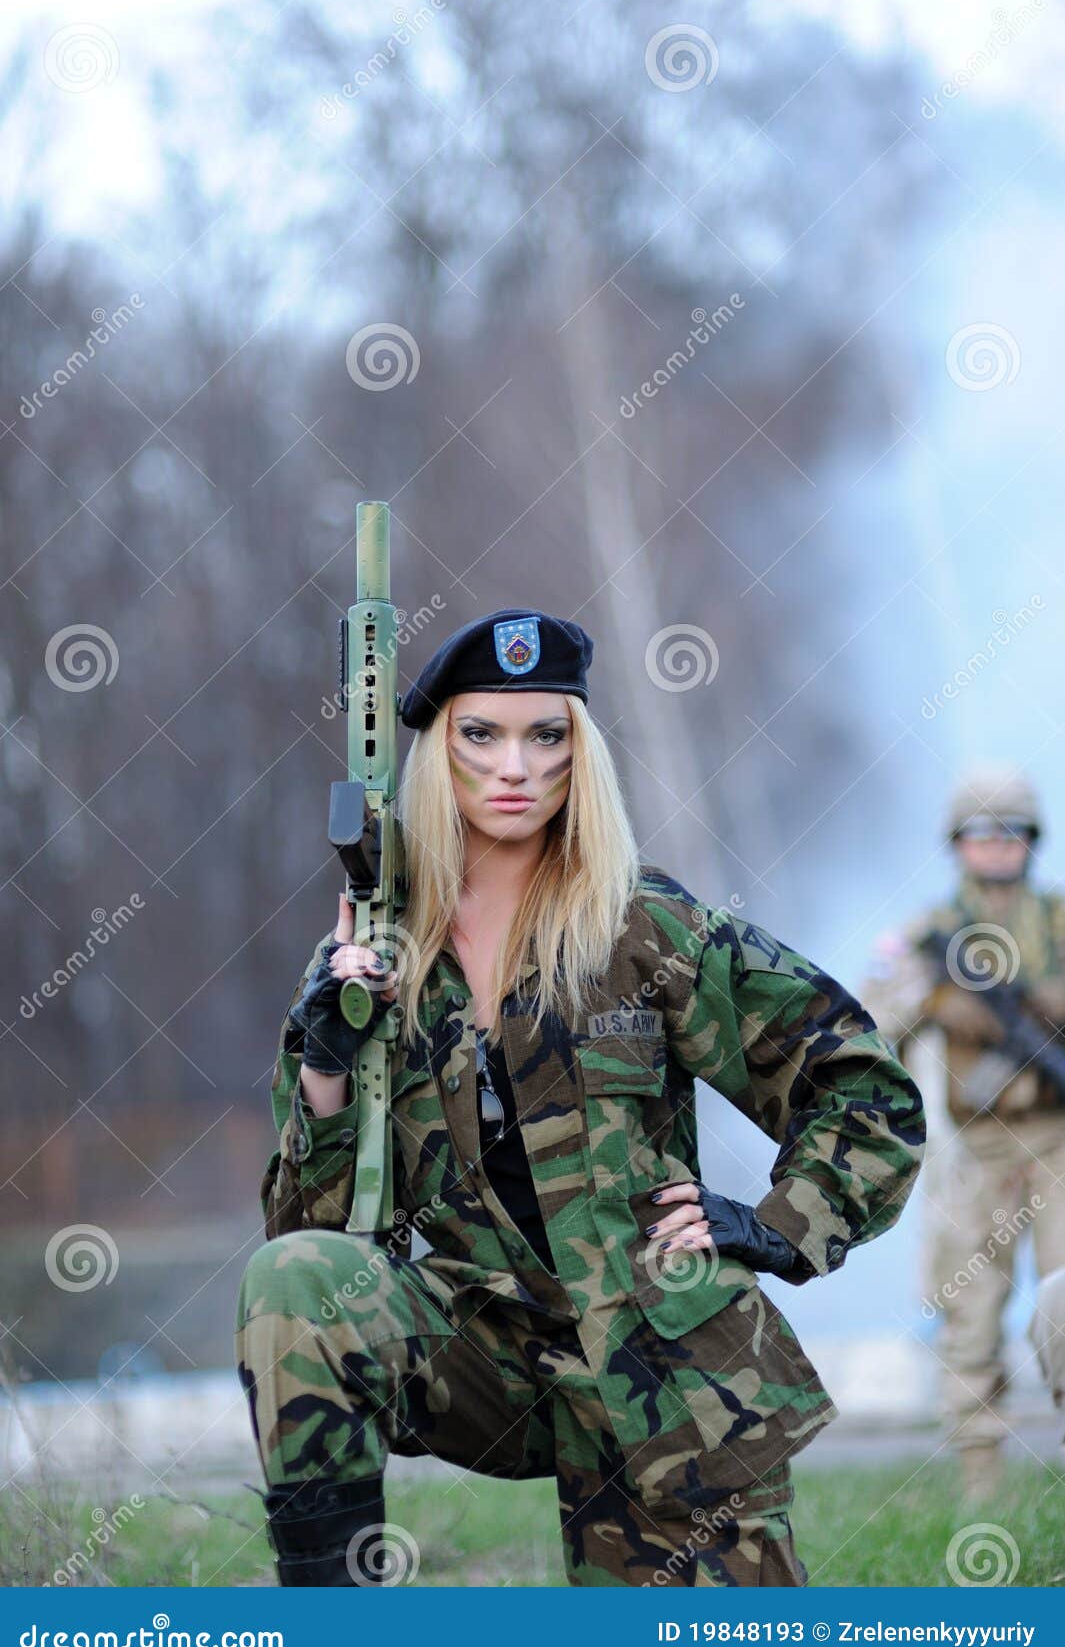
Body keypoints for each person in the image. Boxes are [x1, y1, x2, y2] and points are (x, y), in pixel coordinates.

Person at [237, 608, 924, 1587]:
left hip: (662, 1368)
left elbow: (860, 1082)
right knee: (293, 1278)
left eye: (545, 734)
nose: (514, 765)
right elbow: (306, 1247)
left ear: (578, 756)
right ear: (437, 755)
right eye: (482, 734)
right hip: (485, 1355)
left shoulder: (640, 923)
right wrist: (329, 1069)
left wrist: (776, 1224)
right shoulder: (372, 958)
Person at [860, 765, 1065, 1501]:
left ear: (1031, 840)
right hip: (973, 1152)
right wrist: (931, 1000)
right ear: (958, 842)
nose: (997, 846)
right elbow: (866, 1030)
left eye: (1011, 831)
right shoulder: (927, 935)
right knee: (968, 1320)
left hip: (1055, 1142)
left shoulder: (1058, 923)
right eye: (982, 832)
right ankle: (985, 1500)